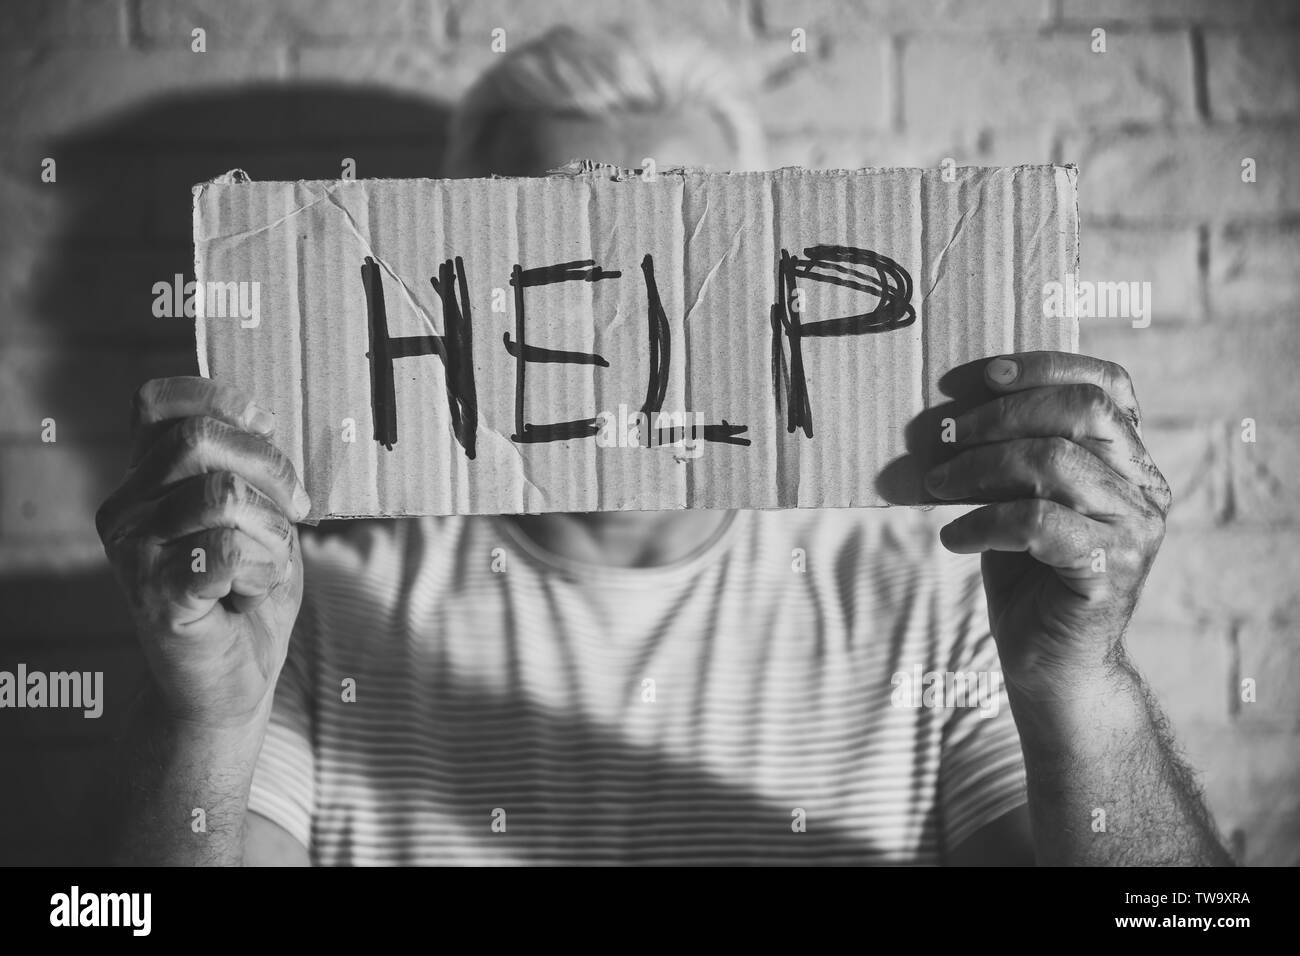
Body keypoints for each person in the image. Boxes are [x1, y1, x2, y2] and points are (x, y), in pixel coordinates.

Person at [95, 25, 1230, 865]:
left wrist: (1079, 682)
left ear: (756, 275)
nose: (606, 311)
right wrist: (206, 713)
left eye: (671, 239)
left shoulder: (944, 597)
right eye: (546, 248)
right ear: (448, 273)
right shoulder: (307, 609)